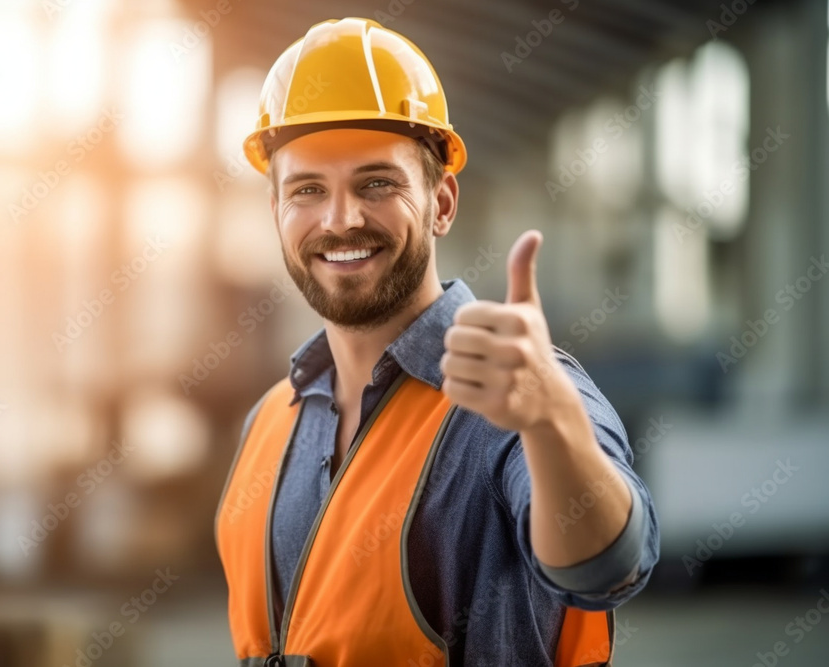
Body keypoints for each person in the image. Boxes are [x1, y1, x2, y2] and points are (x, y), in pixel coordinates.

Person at [215, 17, 659, 667]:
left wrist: (551, 421)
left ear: (442, 202)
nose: (341, 219)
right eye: (307, 189)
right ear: (277, 211)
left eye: (377, 183)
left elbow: (609, 564)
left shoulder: (513, 396)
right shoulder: (269, 423)